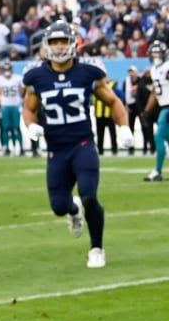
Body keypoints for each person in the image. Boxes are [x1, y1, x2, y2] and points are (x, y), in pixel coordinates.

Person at [23, 21, 133, 269]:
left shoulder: (88, 73)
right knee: (59, 206)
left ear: (73, 43)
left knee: (89, 194)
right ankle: (73, 211)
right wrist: (30, 126)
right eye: (54, 42)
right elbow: (28, 109)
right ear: (46, 45)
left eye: (63, 41)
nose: (59, 47)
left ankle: (96, 248)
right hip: (56, 149)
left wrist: (124, 126)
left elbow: (114, 102)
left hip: (82, 143)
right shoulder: (36, 76)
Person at [142, 41, 169, 181]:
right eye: (154, 53)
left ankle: (157, 171)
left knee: (159, 137)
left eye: (158, 53)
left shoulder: (167, 67)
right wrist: (146, 111)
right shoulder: (153, 70)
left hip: (168, 108)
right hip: (164, 106)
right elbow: (155, 92)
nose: (156, 56)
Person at [0, 59, 25, 156]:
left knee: (16, 127)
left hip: (15, 105)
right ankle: (6, 147)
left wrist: (23, 100)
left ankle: (20, 147)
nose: (7, 70)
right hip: (5, 106)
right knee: (5, 128)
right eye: (6, 68)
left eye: (9, 68)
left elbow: (22, 92)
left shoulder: (18, 78)